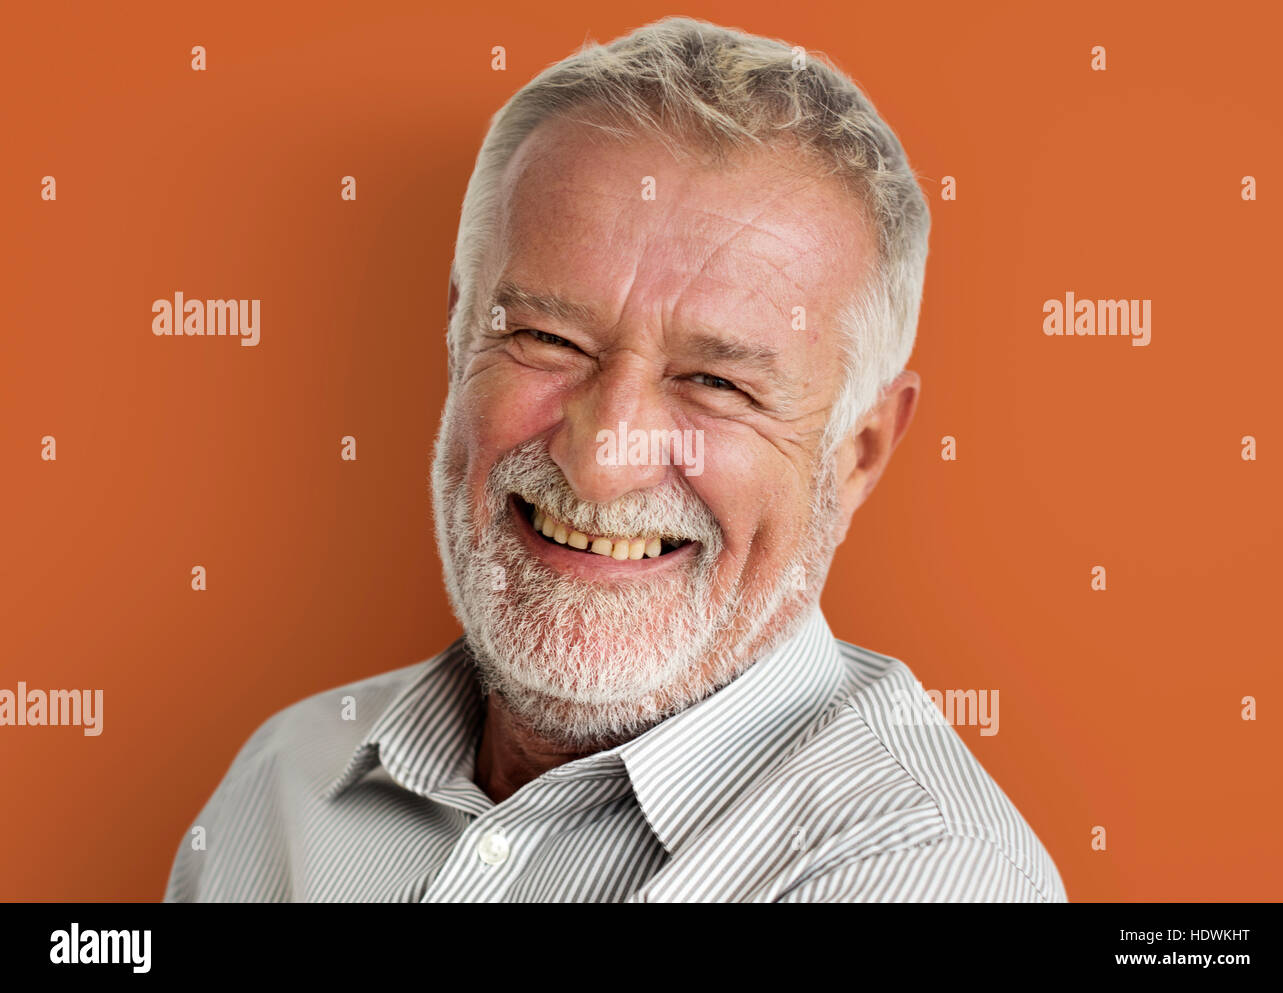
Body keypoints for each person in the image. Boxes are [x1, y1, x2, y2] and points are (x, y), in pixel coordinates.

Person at [165, 16, 1066, 902]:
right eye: (549, 338)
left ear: (858, 452)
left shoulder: (929, 874)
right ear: (456, 337)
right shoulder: (285, 778)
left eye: (716, 381)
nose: (602, 459)